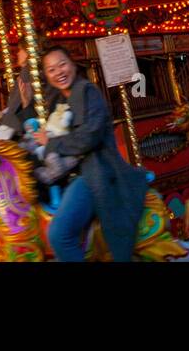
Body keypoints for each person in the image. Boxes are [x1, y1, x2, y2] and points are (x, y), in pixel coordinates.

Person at [32, 46, 150, 261]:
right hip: (73, 175)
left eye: (62, 64)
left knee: (59, 235)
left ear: (73, 65)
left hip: (96, 171)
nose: (58, 72)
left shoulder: (86, 92)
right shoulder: (59, 101)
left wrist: (52, 142)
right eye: (51, 69)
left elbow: (89, 136)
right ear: (46, 76)